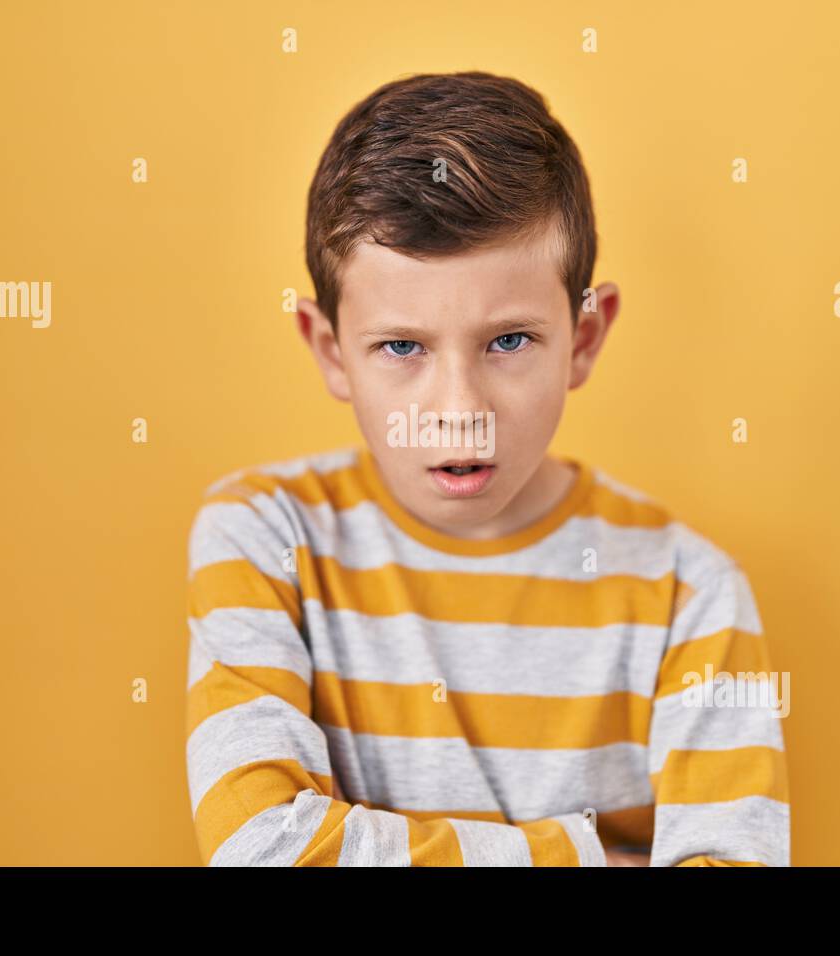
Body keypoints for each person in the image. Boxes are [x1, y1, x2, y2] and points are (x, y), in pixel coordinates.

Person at [185, 71, 789, 866]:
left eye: (508, 341)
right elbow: (260, 850)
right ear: (331, 351)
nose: (458, 409)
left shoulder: (689, 591)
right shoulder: (263, 537)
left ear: (585, 337)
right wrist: (592, 858)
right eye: (402, 347)